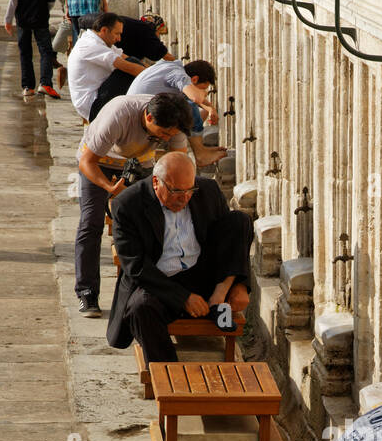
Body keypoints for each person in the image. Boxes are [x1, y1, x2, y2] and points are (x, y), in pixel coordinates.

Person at [106, 152, 253, 362]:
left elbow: (229, 240)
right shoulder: (128, 204)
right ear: (157, 182)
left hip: (202, 273)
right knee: (140, 308)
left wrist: (238, 284)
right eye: (176, 191)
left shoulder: (207, 190)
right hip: (160, 280)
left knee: (239, 220)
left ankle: (217, 300)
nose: (184, 198)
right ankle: (168, 375)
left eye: (189, 190)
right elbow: (136, 266)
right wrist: (182, 298)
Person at [74, 90, 193, 316]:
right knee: (91, 222)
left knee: (153, 222)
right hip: (100, 162)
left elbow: (178, 162)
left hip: (140, 163)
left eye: (171, 135)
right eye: (164, 134)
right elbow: (87, 162)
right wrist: (109, 188)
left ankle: (152, 286)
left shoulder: (173, 124)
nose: (167, 138)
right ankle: (87, 291)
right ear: (149, 117)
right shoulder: (119, 115)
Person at [126, 58, 226, 167]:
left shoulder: (169, 67)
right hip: (142, 119)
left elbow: (191, 95)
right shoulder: (177, 74)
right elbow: (195, 97)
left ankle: (197, 149)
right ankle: (200, 153)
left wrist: (210, 108)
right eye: (202, 88)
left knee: (189, 108)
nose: (204, 92)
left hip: (138, 113)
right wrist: (202, 96)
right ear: (194, 79)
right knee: (188, 108)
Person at [4, 0, 59, 103]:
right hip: (41, 19)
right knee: (45, 51)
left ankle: (28, 87)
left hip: (23, 20)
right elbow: (51, 1)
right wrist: (43, 11)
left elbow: (14, 0)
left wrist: (8, 20)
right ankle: (45, 83)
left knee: (25, 53)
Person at [66, 12, 145, 123]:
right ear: (104, 30)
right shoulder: (90, 45)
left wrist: (153, 70)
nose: (119, 39)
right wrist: (156, 75)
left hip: (99, 96)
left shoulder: (100, 41)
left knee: (134, 64)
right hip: (94, 107)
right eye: (117, 34)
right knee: (131, 70)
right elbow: (127, 66)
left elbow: (125, 57)